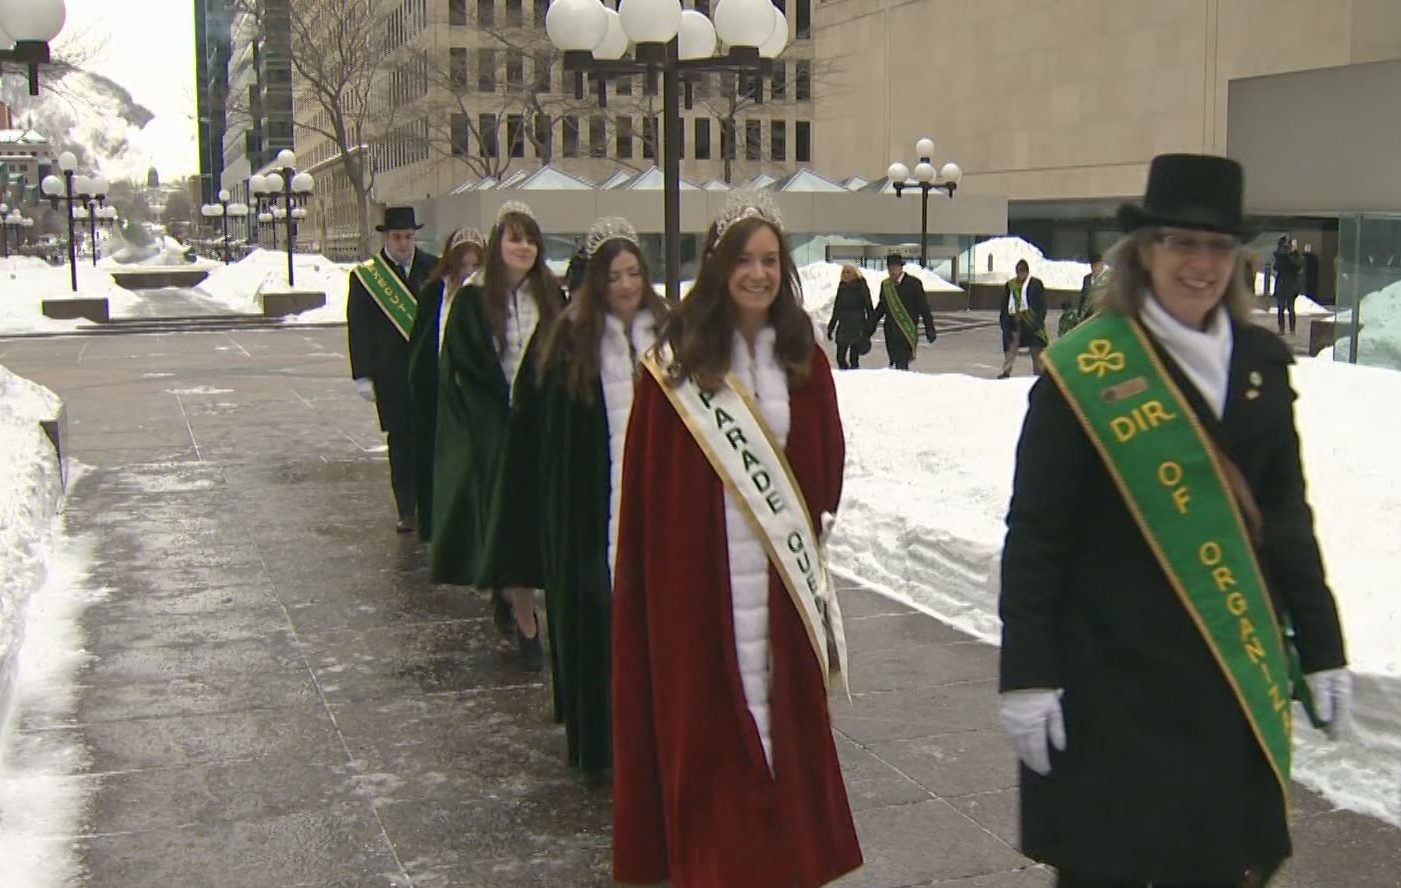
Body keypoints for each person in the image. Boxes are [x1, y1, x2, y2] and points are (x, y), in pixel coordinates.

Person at [999, 153, 1351, 888]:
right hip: (1110, 684)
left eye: (1218, 246)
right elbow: (1037, 537)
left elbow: (1287, 515)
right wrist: (1027, 674)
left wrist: (1322, 644)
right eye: (1181, 242)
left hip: (1222, 683)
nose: (1201, 263)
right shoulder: (1083, 371)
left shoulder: (1258, 363)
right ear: (1145, 251)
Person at [612, 195, 862, 887]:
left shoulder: (804, 356)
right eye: (745, 260)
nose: (758, 274)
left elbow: (825, 462)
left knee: (785, 730)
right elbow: (649, 488)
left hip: (781, 586)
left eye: (771, 261)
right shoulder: (673, 367)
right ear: (719, 267)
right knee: (711, 739)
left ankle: (782, 861)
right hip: (698, 584)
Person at [500, 215, 669, 782]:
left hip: (657, 509)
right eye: (614, 275)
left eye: (634, 273)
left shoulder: (669, 335)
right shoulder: (568, 340)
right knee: (596, 624)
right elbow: (544, 437)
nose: (626, 285)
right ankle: (602, 744)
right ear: (596, 279)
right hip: (589, 512)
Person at [435, 201, 564, 669]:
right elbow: (459, 366)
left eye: (530, 239)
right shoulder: (473, 300)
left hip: (541, 428)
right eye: (515, 239)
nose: (524, 247)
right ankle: (527, 621)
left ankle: (514, 597)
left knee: (536, 524)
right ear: (497, 244)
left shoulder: (551, 296)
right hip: (492, 429)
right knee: (506, 520)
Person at [347, 206, 439, 533]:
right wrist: (362, 374)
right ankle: (407, 509)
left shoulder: (433, 268)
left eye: (409, 237)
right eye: (397, 237)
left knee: (429, 440)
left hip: (429, 371)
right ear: (386, 237)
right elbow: (359, 328)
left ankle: (430, 505)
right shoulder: (367, 277)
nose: (403, 244)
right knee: (400, 442)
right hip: (391, 375)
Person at [406, 226, 486, 541]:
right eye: (463, 264)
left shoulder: (490, 296)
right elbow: (420, 344)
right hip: (438, 393)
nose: (468, 272)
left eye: (475, 264)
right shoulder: (434, 294)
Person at [869, 253, 936, 370]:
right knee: (895, 360)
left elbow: (923, 307)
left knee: (902, 361)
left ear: (901, 267)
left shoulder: (914, 283)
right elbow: (881, 307)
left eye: (894, 267)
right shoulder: (886, 285)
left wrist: (929, 328)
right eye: (890, 268)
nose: (892, 271)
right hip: (890, 331)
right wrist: (869, 327)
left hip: (906, 329)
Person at [826, 264, 874, 369]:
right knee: (840, 357)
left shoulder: (861, 286)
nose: (845, 275)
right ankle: (845, 373)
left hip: (857, 326)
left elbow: (869, 307)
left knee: (854, 359)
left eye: (848, 272)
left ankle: (853, 376)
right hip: (843, 325)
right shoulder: (842, 287)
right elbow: (837, 308)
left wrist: (870, 327)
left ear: (855, 274)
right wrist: (831, 327)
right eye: (844, 272)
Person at [1060, 253, 1106, 337]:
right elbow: (1083, 297)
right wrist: (1080, 314)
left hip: (1101, 314)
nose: (1095, 268)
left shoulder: (1109, 278)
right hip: (1087, 315)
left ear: (1101, 264)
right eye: (1092, 266)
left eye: (1096, 266)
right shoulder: (1087, 278)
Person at [1272, 235, 1302, 335]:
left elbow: (1298, 265)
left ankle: (1292, 330)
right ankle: (1281, 329)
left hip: (1291, 286)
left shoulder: (1296, 256)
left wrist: (1290, 256)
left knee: (1291, 309)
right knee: (1280, 308)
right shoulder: (1281, 256)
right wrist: (1280, 257)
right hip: (1281, 284)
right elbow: (1276, 267)